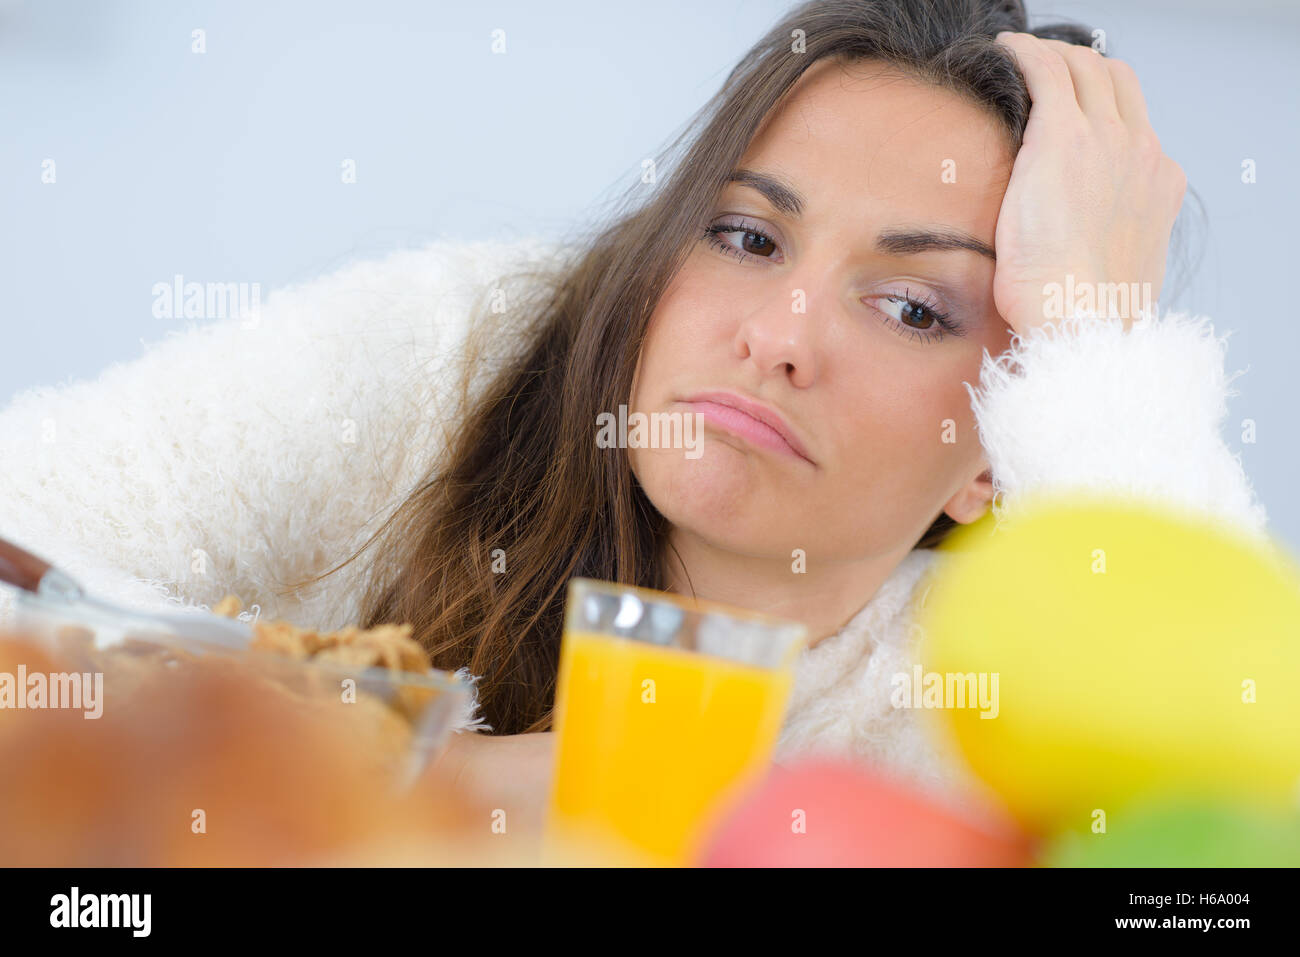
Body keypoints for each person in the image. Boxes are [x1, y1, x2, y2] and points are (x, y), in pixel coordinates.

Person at [0, 0, 1268, 844]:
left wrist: (1101, 344)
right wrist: (428, 777)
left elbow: (1220, 842)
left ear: (999, 451)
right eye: (746, 234)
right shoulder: (459, 350)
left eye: (910, 307)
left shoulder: (969, 701)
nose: (779, 334)